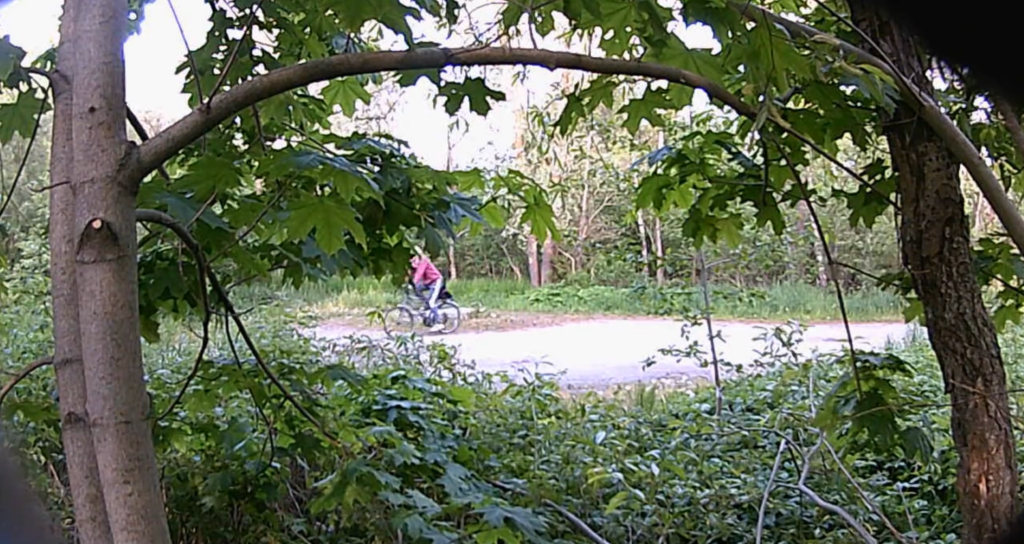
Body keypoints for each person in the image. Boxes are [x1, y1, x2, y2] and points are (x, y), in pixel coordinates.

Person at [409, 253, 445, 332]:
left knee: (431, 302)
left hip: (436, 281)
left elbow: (419, 273)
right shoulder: (417, 263)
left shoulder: (424, 261)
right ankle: (425, 305)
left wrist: (415, 281)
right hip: (428, 282)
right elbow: (414, 272)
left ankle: (439, 323)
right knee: (417, 288)